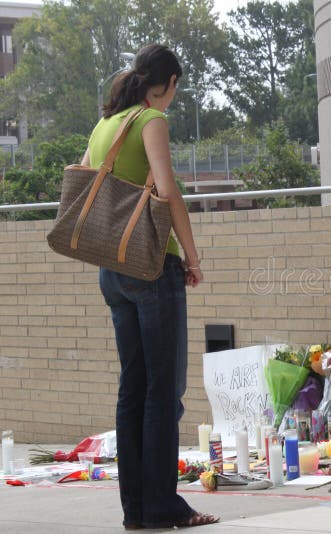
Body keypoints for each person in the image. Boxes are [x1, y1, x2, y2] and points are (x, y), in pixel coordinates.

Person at [82, 44, 218, 529]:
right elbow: (167, 190)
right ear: (170, 82)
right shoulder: (151, 120)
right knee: (164, 392)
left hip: (111, 270)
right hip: (151, 266)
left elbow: (89, 178)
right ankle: (163, 506)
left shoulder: (105, 124)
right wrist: (192, 257)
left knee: (132, 390)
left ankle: (136, 509)